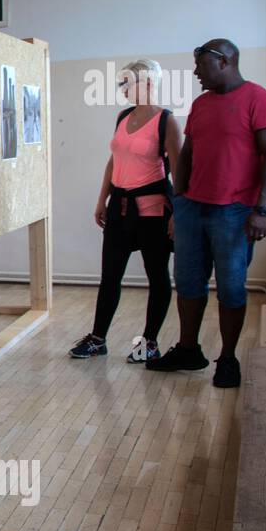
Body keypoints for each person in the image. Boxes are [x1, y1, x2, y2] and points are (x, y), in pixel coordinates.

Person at [146, 39, 266, 388]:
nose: (195, 72)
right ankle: (189, 350)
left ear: (223, 61)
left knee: (231, 287)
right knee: (188, 283)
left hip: (235, 212)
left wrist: (262, 209)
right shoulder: (201, 105)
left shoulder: (261, 100)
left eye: (200, 65)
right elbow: (188, 154)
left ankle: (227, 358)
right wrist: (180, 204)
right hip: (193, 207)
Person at [70, 60, 180, 362]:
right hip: (120, 208)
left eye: (127, 83)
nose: (122, 90)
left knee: (157, 276)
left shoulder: (166, 121)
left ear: (147, 83)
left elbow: (180, 173)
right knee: (110, 276)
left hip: (153, 211)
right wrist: (101, 199)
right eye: (121, 84)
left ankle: (150, 342)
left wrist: (179, 216)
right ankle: (97, 339)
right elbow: (113, 160)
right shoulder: (123, 117)